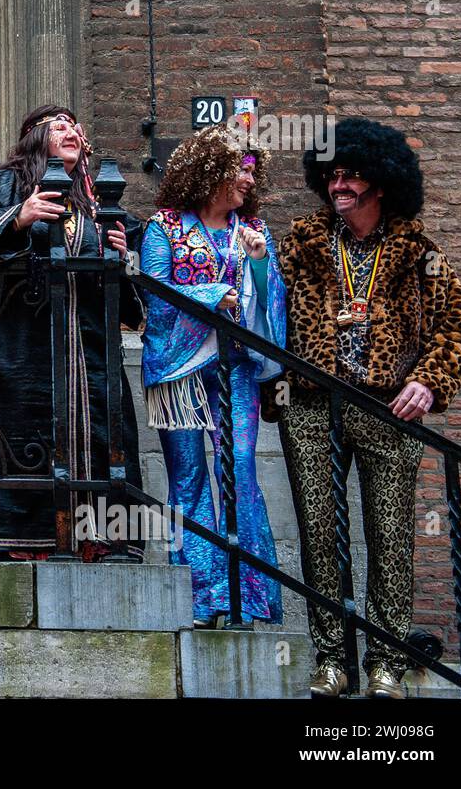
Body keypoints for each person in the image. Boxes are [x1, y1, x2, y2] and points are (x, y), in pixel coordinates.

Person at [277, 117, 461, 698]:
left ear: (382, 184)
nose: (340, 185)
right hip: (312, 407)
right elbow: (264, 312)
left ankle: (386, 663)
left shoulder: (420, 253)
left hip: (391, 411)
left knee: (390, 538)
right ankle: (331, 660)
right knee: (319, 535)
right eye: (332, 175)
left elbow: (456, 333)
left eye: (353, 176)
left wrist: (430, 384)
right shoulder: (302, 244)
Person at [0, 105, 145, 560]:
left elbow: (131, 296)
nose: (70, 130)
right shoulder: (4, 185)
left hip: (91, 346)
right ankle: (27, 541)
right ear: (33, 139)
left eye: (75, 126)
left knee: (102, 431)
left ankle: (100, 539)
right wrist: (19, 218)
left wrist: (121, 259)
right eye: (57, 125)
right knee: (26, 434)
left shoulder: (100, 200)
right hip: (24, 344)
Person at [141, 124, 286, 627]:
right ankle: (202, 596)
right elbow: (153, 293)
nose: (248, 181)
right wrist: (209, 296)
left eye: (251, 172)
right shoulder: (164, 226)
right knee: (188, 480)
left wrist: (259, 263)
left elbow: (271, 302)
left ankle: (248, 596)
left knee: (241, 470)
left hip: (236, 369)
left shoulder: (256, 232)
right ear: (209, 172)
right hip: (179, 372)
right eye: (238, 171)